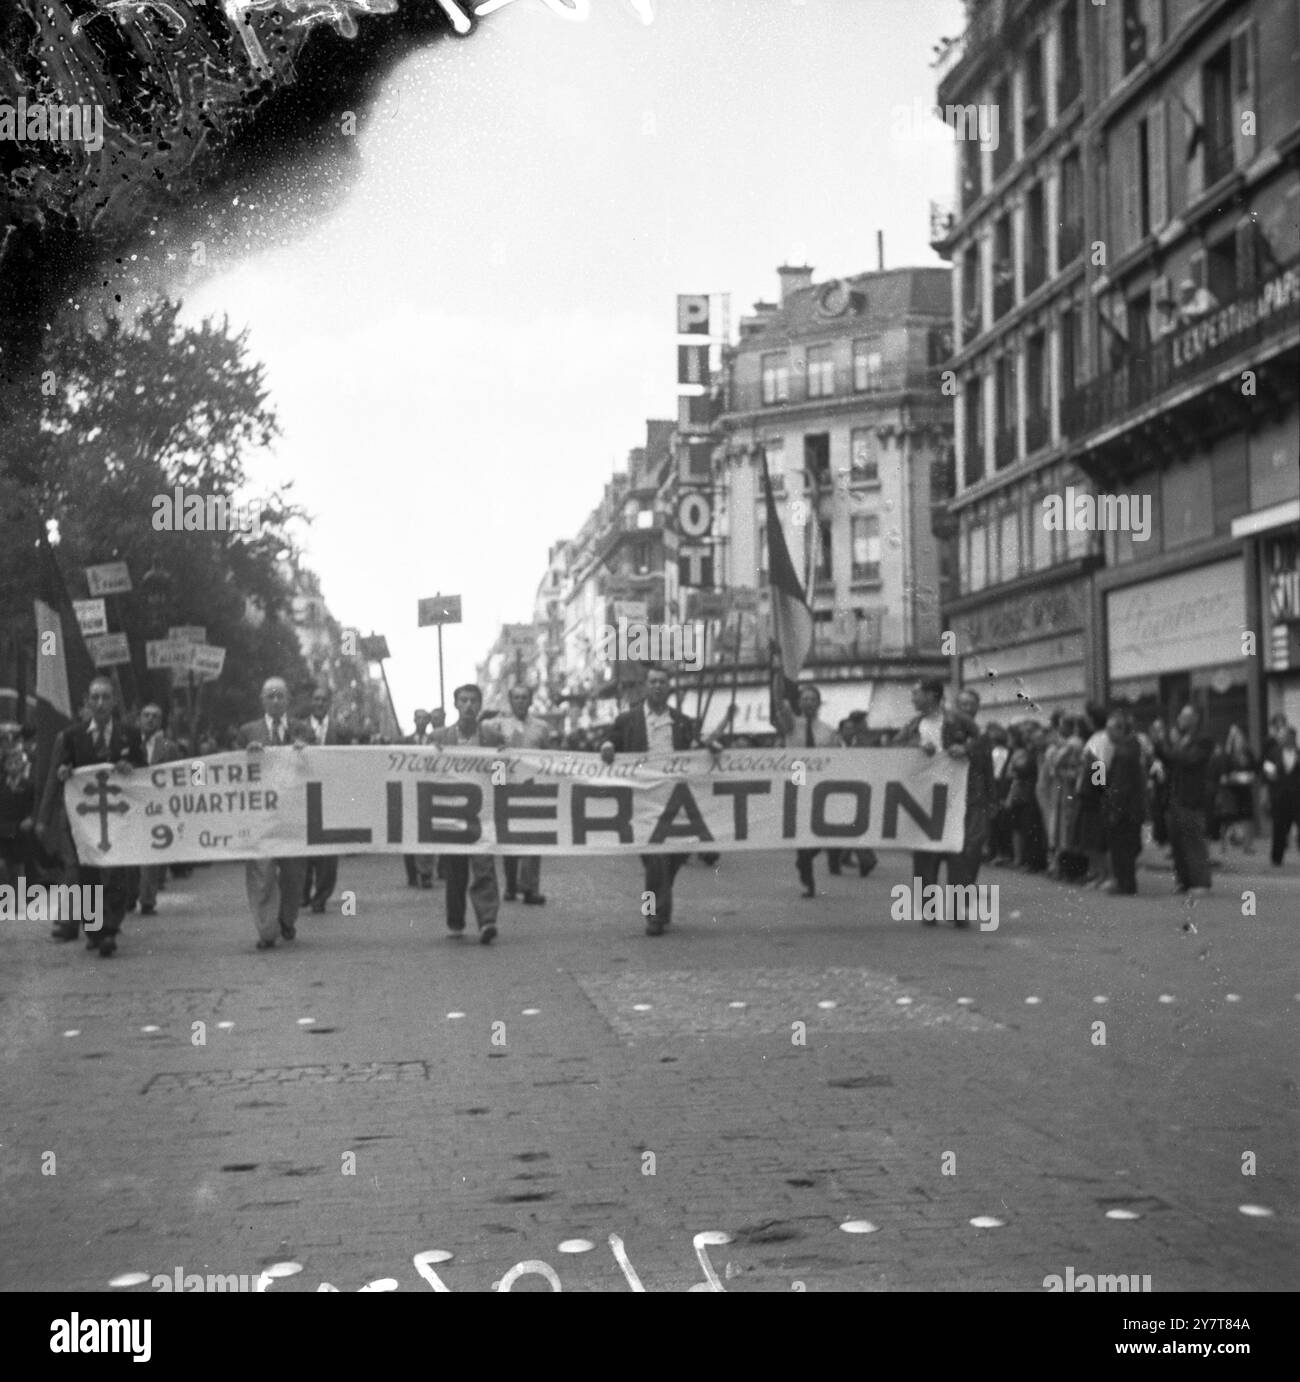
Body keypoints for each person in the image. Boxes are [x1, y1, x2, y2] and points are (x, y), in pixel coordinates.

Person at [37, 675, 145, 956]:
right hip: (83, 822)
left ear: (114, 702)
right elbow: (58, 773)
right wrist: (63, 775)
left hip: (116, 819)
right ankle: (94, 928)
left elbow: (145, 774)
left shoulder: (130, 735)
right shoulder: (72, 736)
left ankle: (109, 928)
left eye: (106, 697)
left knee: (115, 872)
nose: (100, 703)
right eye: (95, 697)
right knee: (87, 874)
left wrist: (130, 766)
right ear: (87, 701)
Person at [599, 664, 702, 935]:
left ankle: (659, 908)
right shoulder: (628, 719)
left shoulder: (681, 721)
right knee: (655, 860)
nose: (657, 686)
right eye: (653, 681)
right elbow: (611, 740)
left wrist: (710, 749)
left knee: (676, 856)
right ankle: (653, 915)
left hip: (676, 800)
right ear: (646, 686)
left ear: (669, 687)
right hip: (643, 801)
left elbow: (696, 750)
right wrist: (608, 747)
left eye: (662, 682)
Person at [892, 678, 980, 925]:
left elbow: (981, 742)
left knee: (957, 855)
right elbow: (894, 746)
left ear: (932, 695)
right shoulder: (913, 725)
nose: (912, 698)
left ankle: (958, 911)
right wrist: (916, 745)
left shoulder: (958, 721)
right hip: (923, 797)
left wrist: (965, 749)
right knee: (923, 855)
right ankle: (928, 910)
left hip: (954, 798)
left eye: (916, 693)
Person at [236, 678, 312, 950]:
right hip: (261, 817)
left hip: (293, 815)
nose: (276, 700)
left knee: (293, 874)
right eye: (271, 695)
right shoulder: (248, 732)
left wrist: (308, 753)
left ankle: (287, 919)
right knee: (262, 873)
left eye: (281, 695)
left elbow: (318, 767)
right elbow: (230, 771)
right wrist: (247, 757)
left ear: (288, 699)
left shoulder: (303, 730)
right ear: (262, 699)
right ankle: (267, 930)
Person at [428, 685, 504, 944]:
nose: (469, 705)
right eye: (464, 700)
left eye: (474, 700)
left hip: (482, 813)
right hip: (450, 812)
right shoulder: (438, 736)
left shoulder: (493, 737)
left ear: (480, 704)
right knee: (455, 870)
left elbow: (502, 776)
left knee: (484, 867)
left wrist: (502, 761)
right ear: (455, 704)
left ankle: (487, 921)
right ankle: (456, 921)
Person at [773, 683, 840, 899]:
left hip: (821, 786)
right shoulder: (791, 725)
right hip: (797, 783)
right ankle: (808, 880)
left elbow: (838, 759)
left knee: (823, 832)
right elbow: (780, 707)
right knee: (802, 834)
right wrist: (780, 680)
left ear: (819, 703)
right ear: (800, 703)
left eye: (813, 699)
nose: (809, 702)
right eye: (805, 699)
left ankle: (807, 857)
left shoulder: (829, 732)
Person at [498, 685, 553, 904]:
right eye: (516, 698)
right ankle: (511, 885)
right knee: (509, 839)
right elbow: (494, 757)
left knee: (533, 838)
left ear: (530, 701)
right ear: (510, 701)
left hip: (533, 789)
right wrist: (498, 785)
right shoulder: (498, 726)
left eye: (524, 698)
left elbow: (550, 759)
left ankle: (530, 888)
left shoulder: (541, 728)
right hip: (508, 788)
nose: (520, 701)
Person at [1153, 704, 1214, 895]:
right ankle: (1183, 881)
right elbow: (1170, 760)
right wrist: (1159, 744)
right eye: (1180, 715)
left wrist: (1166, 745)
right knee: (1177, 842)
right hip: (1174, 796)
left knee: (1193, 841)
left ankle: (1201, 882)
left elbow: (1188, 760)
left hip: (1190, 798)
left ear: (1195, 718)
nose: (1180, 718)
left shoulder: (1203, 740)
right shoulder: (1180, 740)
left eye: (1185, 715)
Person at [301, 685, 344, 914]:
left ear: (329, 703)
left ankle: (321, 896)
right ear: (311, 702)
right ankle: (302, 893)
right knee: (304, 846)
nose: (319, 703)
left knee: (328, 850)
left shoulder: (339, 730)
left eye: (324, 700)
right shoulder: (298, 728)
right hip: (303, 796)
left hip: (331, 795)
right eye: (316, 699)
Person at [136, 703, 181, 915]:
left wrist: (198, 789)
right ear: (139, 719)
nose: (150, 719)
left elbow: (192, 768)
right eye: (146, 715)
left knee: (150, 854)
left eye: (155, 716)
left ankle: (147, 899)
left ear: (160, 721)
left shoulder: (169, 747)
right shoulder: (128, 742)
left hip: (158, 808)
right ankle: (128, 897)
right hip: (133, 806)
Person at [951, 687, 995, 888]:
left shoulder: (983, 736)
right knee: (956, 847)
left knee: (974, 844)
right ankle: (959, 884)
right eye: (963, 704)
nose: (967, 708)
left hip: (977, 797)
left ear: (978, 707)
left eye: (971, 704)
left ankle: (968, 883)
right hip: (952, 797)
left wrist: (993, 798)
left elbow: (988, 769)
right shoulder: (948, 734)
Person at [1101, 711, 1145, 895]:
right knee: (1126, 846)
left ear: (1120, 730)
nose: (1108, 735)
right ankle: (1125, 882)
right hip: (1132, 807)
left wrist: (1114, 809)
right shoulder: (1129, 748)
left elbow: (1120, 785)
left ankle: (1124, 883)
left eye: (1110, 730)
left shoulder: (1124, 751)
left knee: (1121, 847)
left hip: (1125, 809)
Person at [1074, 705, 1114, 887]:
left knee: (1097, 835)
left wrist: (1098, 790)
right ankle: (1098, 873)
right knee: (1089, 835)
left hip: (1094, 793)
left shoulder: (1102, 739)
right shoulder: (1095, 738)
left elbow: (1100, 765)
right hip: (1088, 790)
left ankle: (1105, 874)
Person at [1215, 724, 1258, 855]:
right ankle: (1223, 845)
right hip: (1231, 791)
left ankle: (1248, 846)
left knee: (1248, 818)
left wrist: (1251, 776)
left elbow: (1256, 769)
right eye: (1236, 738)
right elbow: (1223, 776)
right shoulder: (1228, 755)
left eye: (1241, 738)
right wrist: (1233, 777)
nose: (1239, 741)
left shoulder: (1248, 753)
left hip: (1245, 789)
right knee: (1227, 819)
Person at [1261, 724, 1299, 866]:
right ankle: (1277, 858)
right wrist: (1265, 794)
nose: (1286, 739)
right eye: (1284, 737)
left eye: (1289, 737)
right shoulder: (1273, 752)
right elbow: (1267, 772)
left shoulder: (1298, 752)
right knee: (1279, 827)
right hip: (1279, 796)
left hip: (1297, 797)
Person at [0, 744, 36, 887]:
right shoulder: (1, 785)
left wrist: (31, 818)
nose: (14, 766)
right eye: (10, 763)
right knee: (2, 866)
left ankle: (19, 902)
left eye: (17, 762)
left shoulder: (28, 785)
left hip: (20, 831)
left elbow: (34, 805)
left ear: (22, 764)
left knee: (18, 868)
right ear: (4, 766)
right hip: (2, 830)